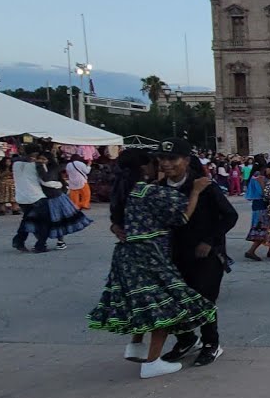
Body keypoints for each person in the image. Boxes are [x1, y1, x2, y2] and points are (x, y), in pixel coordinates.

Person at [89, 149, 217, 379]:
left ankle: (136, 345)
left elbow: (118, 222)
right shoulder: (149, 191)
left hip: (125, 254)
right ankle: (152, 363)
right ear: (143, 168)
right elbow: (182, 216)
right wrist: (196, 191)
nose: (160, 166)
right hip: (149, 254)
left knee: (140, 302)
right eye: (154, 163)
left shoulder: (122, 190)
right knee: (163, 306)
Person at [157, 138, 238, 367]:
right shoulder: (159, 188)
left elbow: (230, 215)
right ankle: (186, 340)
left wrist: (210, 241)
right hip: (174, 254)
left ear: (186, 160)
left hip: (206, 255)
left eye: (172, 158)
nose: (166, 163)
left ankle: (211, 343)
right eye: (162, 158)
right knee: (174, 299)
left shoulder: (204, 186)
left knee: (204, 298)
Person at [39, 151, 92, 250]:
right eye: (40, 159)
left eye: (43, 159)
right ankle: (43, 242)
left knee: (57, 219)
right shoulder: (41, 167)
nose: (41, 161)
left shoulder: (54, 168)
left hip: (56, 197)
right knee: (45, 221)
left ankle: (59, 241)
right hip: (46, 197)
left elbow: (47, 179)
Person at [243, 161, 270, 261]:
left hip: (256, 204)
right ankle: (251, 251)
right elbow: (262, 193)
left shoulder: (253, 176)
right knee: (262, 228)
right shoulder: (259, 177)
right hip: (261, 204)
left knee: (266, 228)